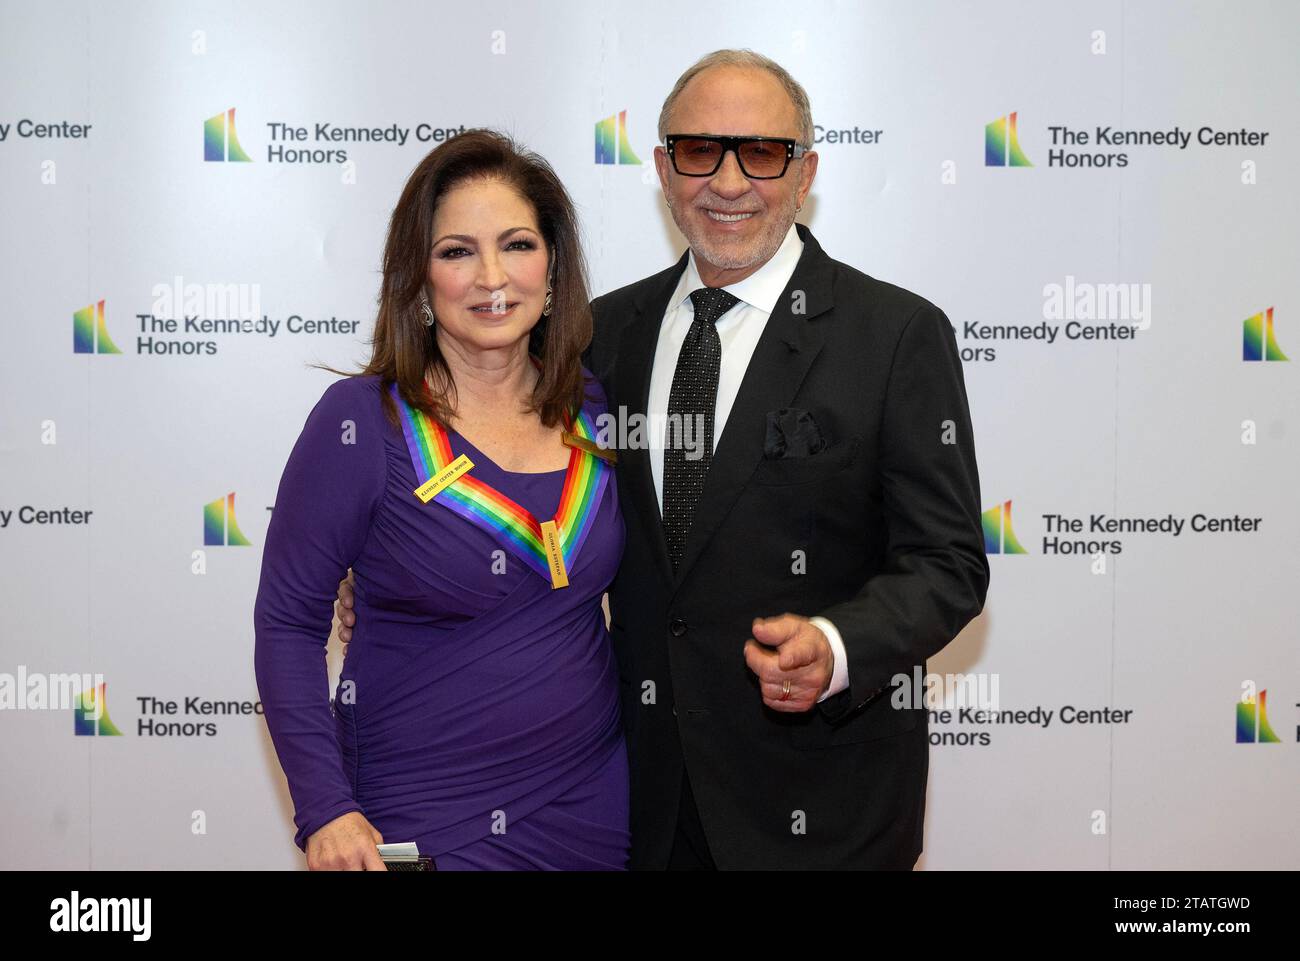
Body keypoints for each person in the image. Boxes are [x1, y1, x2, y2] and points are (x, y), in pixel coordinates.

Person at [339, 49, 989, 869]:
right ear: (661, 167)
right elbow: (520, 486)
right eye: (697, 150)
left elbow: (950, 563)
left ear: (806, 171)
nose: (727, 180)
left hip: (821, 809)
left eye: (760, 152)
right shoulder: (598, 337)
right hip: (638, 805)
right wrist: (393, 572)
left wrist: (836, 641)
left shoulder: (894, 336)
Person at [254, 130, 629, 870]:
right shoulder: (362, 422)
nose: (492, 274)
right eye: (457, 251)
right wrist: (326, 809)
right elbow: (288, 623)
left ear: (553, 268)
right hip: (417, 814)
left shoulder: (601, 409)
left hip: (594, 806)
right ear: (420, 281)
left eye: (517, 244)